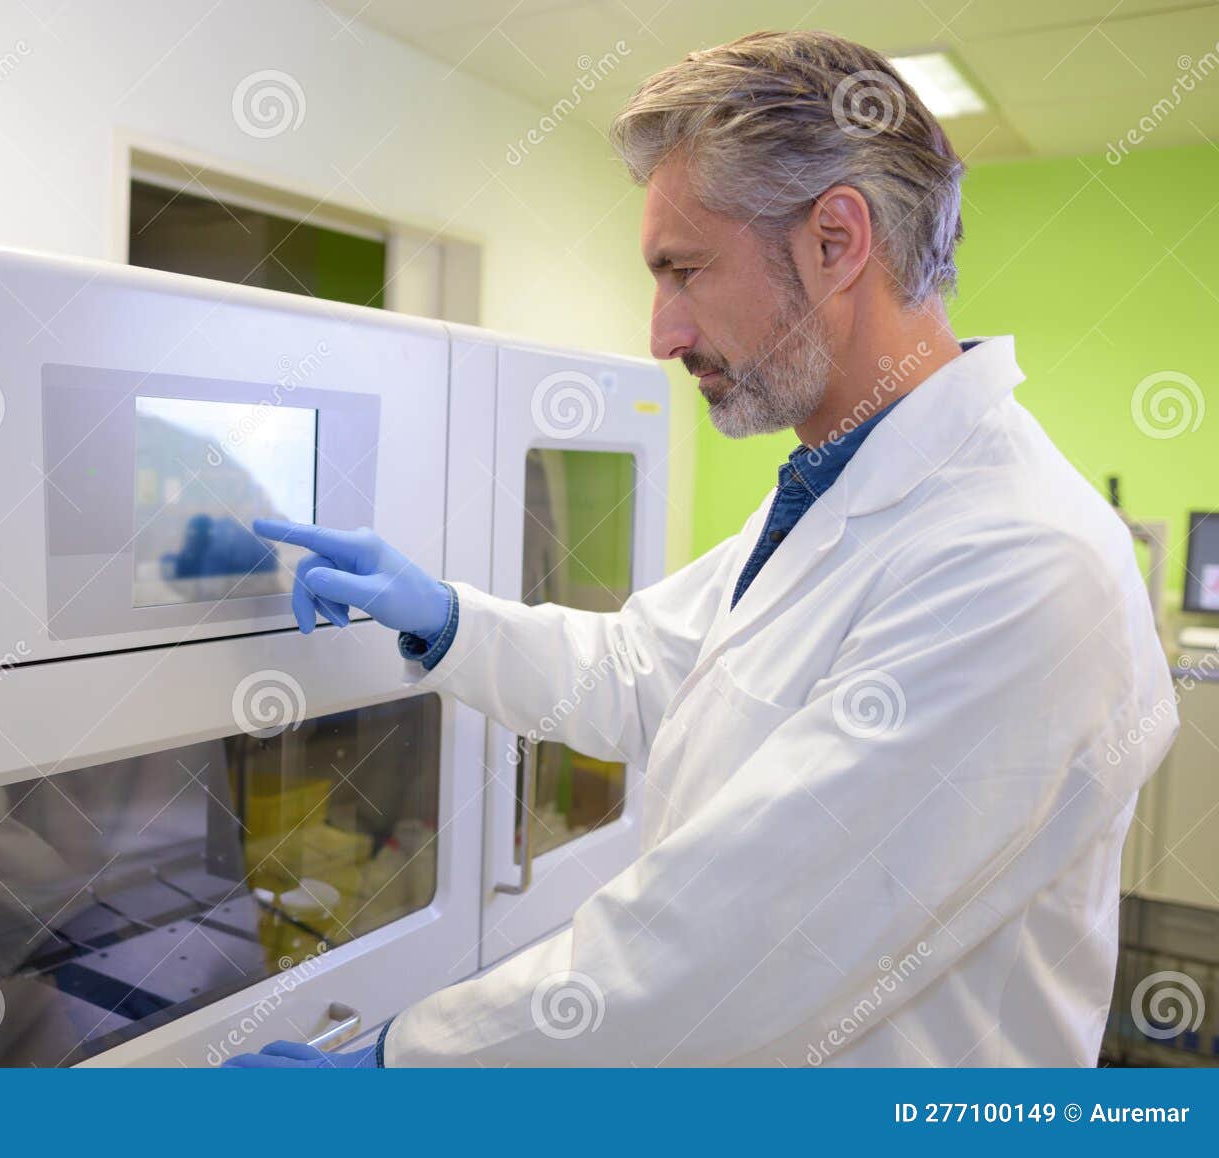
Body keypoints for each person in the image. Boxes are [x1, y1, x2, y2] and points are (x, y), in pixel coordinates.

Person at [224, 29, 1176, 1068]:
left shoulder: (1020, 560)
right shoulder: (834, 490)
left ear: (836, 241)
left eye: (684, 272)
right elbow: (646, 670)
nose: (662, 335)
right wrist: (449, 619)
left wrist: (396, 1068)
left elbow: (744, 942)